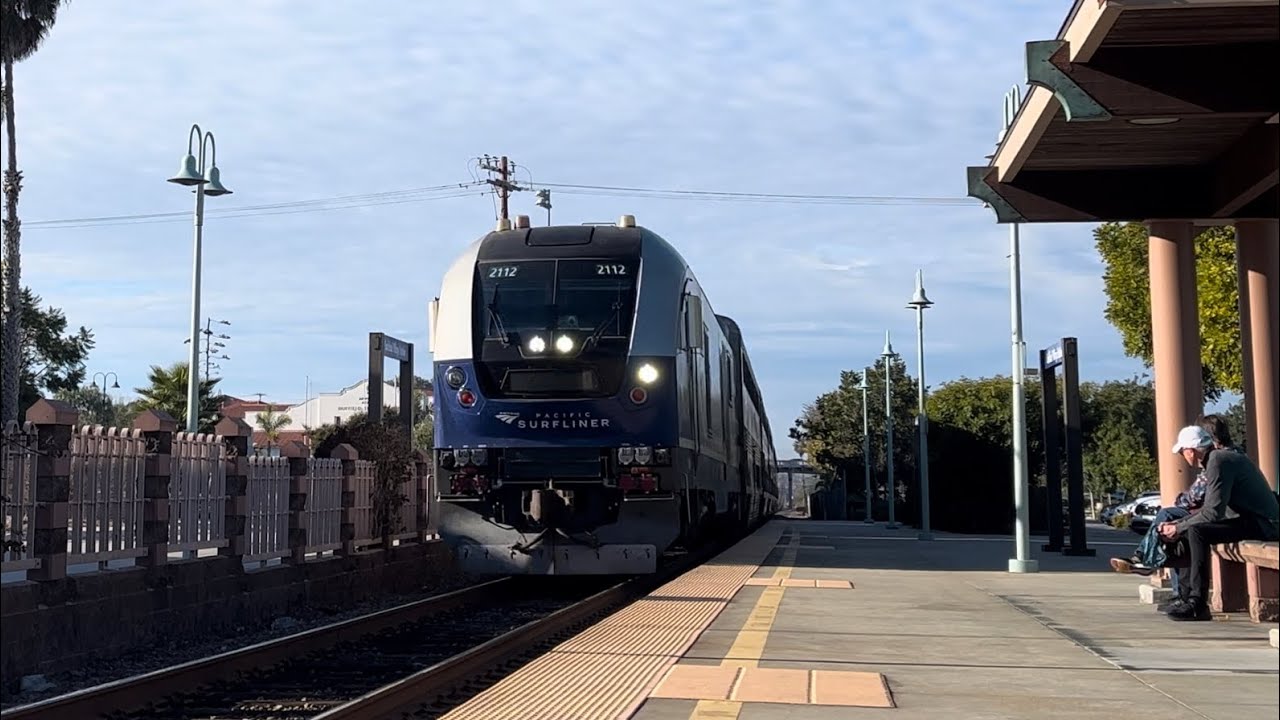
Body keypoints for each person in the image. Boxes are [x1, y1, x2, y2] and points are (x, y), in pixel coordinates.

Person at [1160, 424, 1280, 621]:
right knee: (1190, 529)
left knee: (1197, 532)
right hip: (1252, 520)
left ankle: (1197, 603)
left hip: (1266, 524)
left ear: (1191, 451)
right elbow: (1210, 511)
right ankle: (1186, 596)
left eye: (1182, 452)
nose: (1183, 457)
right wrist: (1179, 523)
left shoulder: (1218, 461)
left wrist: (1179, 526)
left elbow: (1213, 513)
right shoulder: (1218, 459)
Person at [1108, 414, 1235, 594]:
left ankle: (1153, 567)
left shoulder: (1218, 459)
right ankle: (1155, 569)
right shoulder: (1228, 455)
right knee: (1173, 526)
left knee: (1173, 521)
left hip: (1227, 517)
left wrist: (1180, 508)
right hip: (1224, 514)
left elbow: (1196, 496)